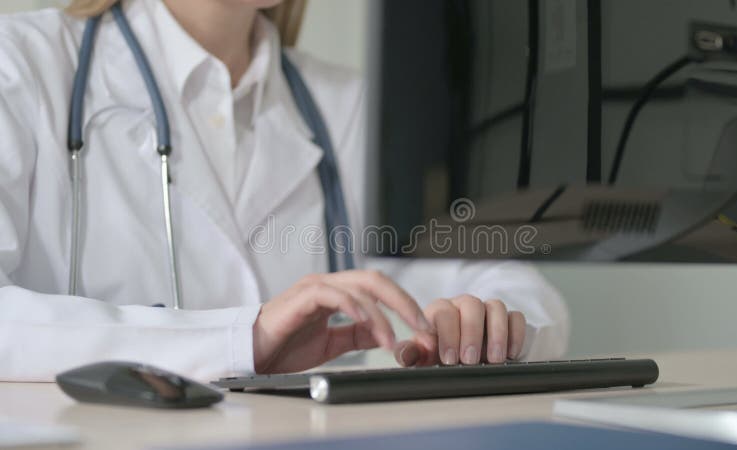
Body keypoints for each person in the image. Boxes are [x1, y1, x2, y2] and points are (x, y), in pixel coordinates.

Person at [0, 0, 569, 381]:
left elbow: (509, 284)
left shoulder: (347, 106)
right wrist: (240, 339)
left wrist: (486, 327)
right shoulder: (22, 67)